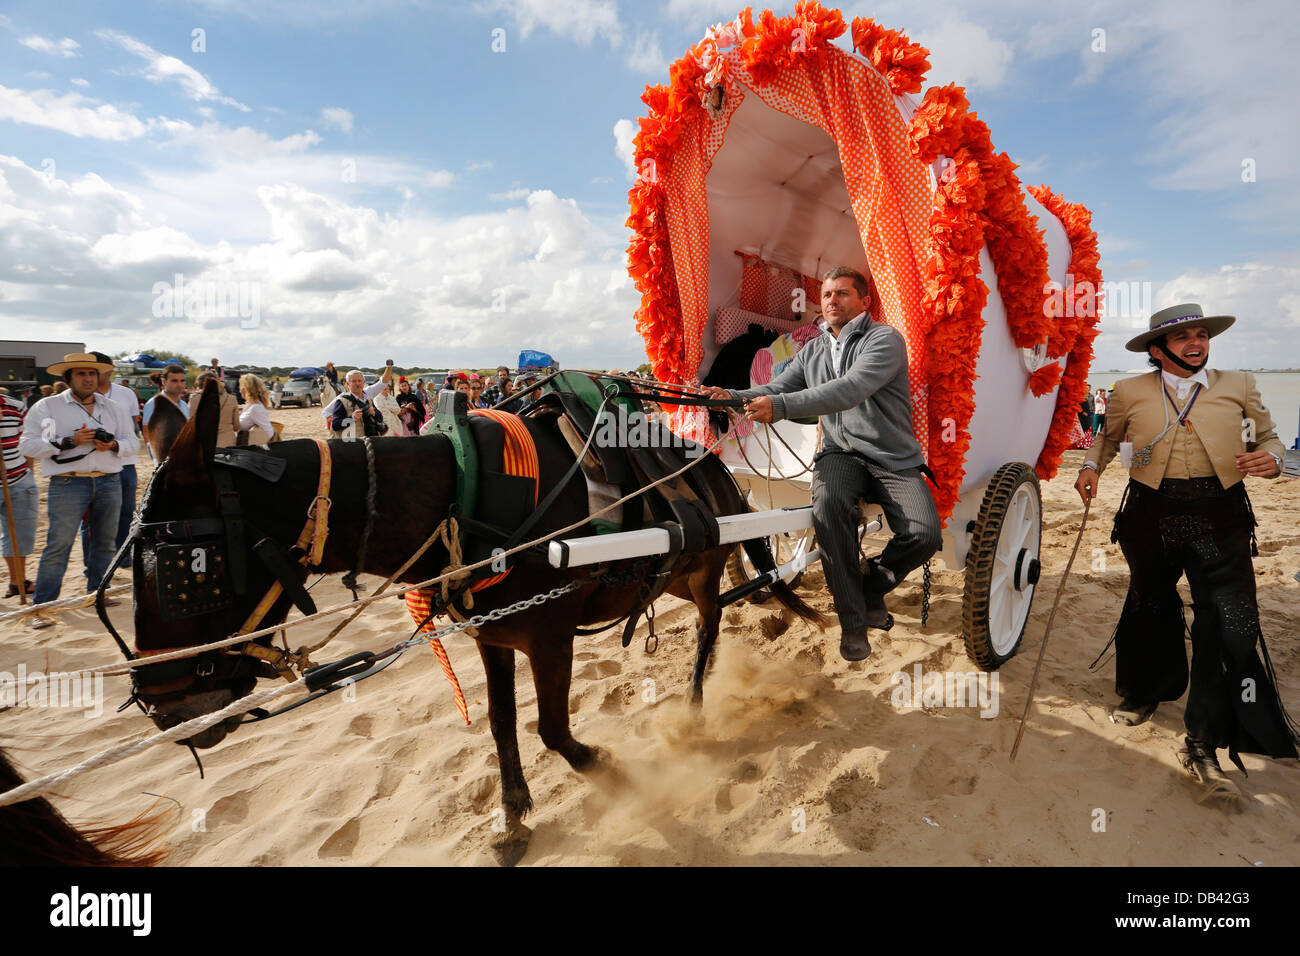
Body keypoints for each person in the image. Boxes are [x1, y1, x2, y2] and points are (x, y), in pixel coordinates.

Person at [1075, 303, 1295, 800]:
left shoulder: (1237, 383)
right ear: (1157, 351)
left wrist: (1274, 460)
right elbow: (1105, 442)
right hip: (1150, 514)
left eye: (1202, 335)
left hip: (1221, 515)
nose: (1197, 343)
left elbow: (1271, 437)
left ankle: (1203, 741)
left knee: (1228, 624)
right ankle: (1146, 693)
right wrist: (1090, 468)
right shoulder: (1130, 390)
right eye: (1183, 338)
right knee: (1150, 604)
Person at [704, 267, 941, 662]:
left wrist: (779, 407)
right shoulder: (812, 349)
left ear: (865, 302)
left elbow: (849, 390)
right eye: (827, 294)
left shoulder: (884, 340)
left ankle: (869, 587)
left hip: (891, 457)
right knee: (828, 509)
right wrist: (729, 395)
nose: (832, 300)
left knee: (924, 534)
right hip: (839, 455)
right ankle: (852, 623)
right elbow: (776, 386)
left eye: (843, 294)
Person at [18, 353, 138, 617]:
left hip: (109, 480)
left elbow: (133, 443)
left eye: (92, 373)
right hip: (67, 482)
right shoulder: (49, 407)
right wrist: (67, 441)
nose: (88, 379)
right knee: (58, 545)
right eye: (81, 374)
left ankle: (97, 594)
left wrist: (113, 444)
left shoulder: (113, 408)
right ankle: (43, 606)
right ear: (68, 378)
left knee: (105, 543)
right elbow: (28, 444)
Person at [1, 391, 37, 598]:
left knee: (19, 533)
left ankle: (18, 582)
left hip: (18, 477)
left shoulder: (14, 406)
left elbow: (27, 440)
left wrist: (28, 471)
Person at [142, 364, 191, 459]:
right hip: (164, 458)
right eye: (174, 381)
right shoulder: (154, 403)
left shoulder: (184, 405)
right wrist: (157, 459)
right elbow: (147, 433)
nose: (179, 385)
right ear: (164, 381)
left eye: (182, 381)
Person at [329, 368, 393, 437]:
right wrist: (352, 418)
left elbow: (380, 418)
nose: (357, 383)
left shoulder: (368, 400)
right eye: (354, 381)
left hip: (372, 440)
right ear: (348, 384)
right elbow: (335, 425)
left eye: (360, 381)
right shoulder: (342, 401)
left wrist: (374, 413)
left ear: (363, 382)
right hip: (354, 443)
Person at [191, 370, 240, 447]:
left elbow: (191, 425)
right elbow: (236, 426)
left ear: (200, 385)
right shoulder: (232, 399)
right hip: (228, 442)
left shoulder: (194, 399)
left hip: (204, 443)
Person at [237, 373, 278, 444]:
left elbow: (269, 433)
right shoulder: (250, 405)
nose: (239, 390)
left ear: (246, 389)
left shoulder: (256, 408)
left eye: (240, 387)